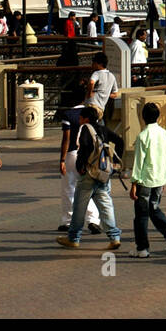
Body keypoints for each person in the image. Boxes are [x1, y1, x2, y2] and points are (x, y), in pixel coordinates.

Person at [56, 105, 122, 250]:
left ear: (85, 118)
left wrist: (81, 166)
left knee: (79, 207)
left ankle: (73, 238)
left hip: (89, 174)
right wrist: (116, 162)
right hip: (103, 174)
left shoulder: (85, 129)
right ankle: (114, 237)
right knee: (106, 206)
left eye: (81, 118)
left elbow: (84, 148)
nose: (79, 120)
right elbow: (119, 141)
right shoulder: (103, 129)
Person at [128, 103, 166, 258]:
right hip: (159, 179)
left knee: (141, 215)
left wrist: (134, 183)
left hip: (145, 180)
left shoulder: (143, 136)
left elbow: (138, 162)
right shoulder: (165, 134)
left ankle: (142, 248)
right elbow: (165, 158)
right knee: (154, 208)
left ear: (143, 117)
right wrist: (164, 180)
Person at [55, 87, 102, 232]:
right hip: (88, 154)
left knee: (69, 187)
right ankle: (93, 219)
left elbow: (66, 139)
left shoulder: (68, 114)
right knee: (86, 187)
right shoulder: (92, 113)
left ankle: (68, 220)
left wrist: (62, 160)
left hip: (72, 154)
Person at [85, 52, 118, 119]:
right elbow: (115, 94)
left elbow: (91, 82)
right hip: (101, 108)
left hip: (92, 105)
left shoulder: (97, 73)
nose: (92, 65)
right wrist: (105, 94)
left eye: (94, 63)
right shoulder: (112, 76)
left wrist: (89, 93)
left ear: (99, 64)